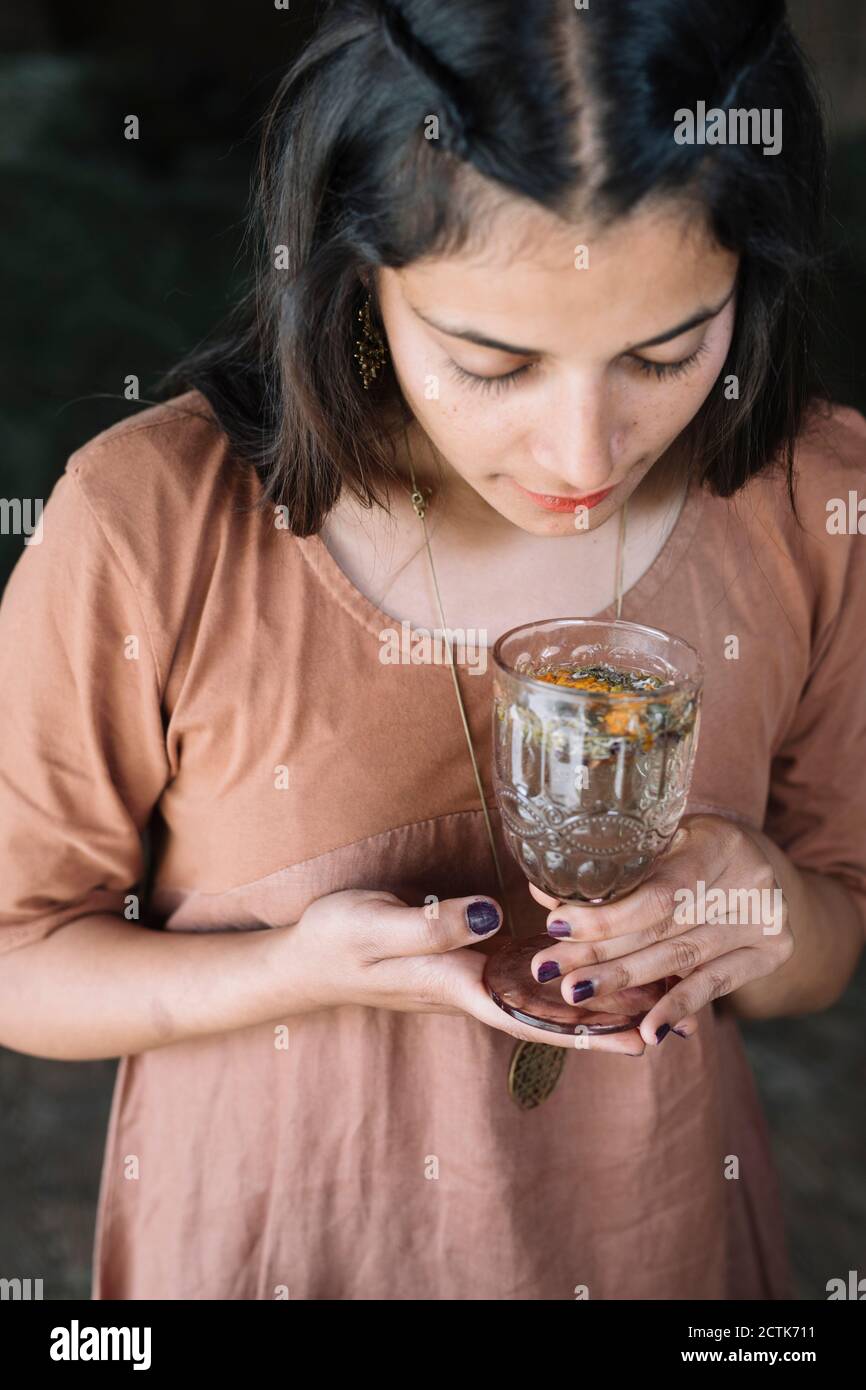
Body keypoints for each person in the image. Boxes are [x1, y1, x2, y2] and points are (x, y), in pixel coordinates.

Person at [1, 0, 865, 1300]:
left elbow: (825, 935)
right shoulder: (148, 521)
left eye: (665, 350)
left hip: (650, 1232)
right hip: (275, 1244)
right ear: (361, 281)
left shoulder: (818, 500)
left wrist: (757, 902)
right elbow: (18, 958)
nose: (581, 456)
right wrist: (283, 971)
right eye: (490, 360)